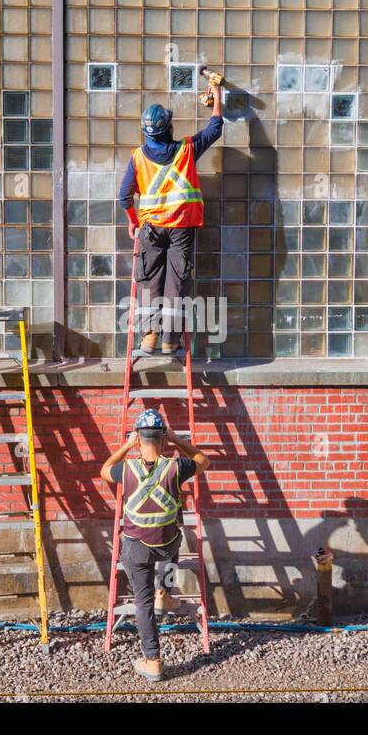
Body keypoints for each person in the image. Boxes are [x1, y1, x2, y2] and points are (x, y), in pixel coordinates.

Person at [99, 408, 210, 682]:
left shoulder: (126, 469)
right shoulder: (176, 467)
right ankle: (166, 591)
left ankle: (153, 660)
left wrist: (126, 446)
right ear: (163, 440)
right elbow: (203, 460)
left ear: (139, 439)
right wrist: (178, 439)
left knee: (143, 604)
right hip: (166, 544)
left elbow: (103, 470)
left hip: (136, 548)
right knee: (175, 544)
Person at [118, 81, 224, 353]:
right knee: (176, 282)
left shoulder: (138, 157)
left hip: (151, 229)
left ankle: (150, 337)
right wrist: (217, 96)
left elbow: (124, 196)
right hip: (181, 229)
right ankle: (170, 341)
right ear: (170, 128)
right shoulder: (187, 150)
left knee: (149, 280)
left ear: (146, 132)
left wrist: (134, 220)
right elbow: (214, 129)